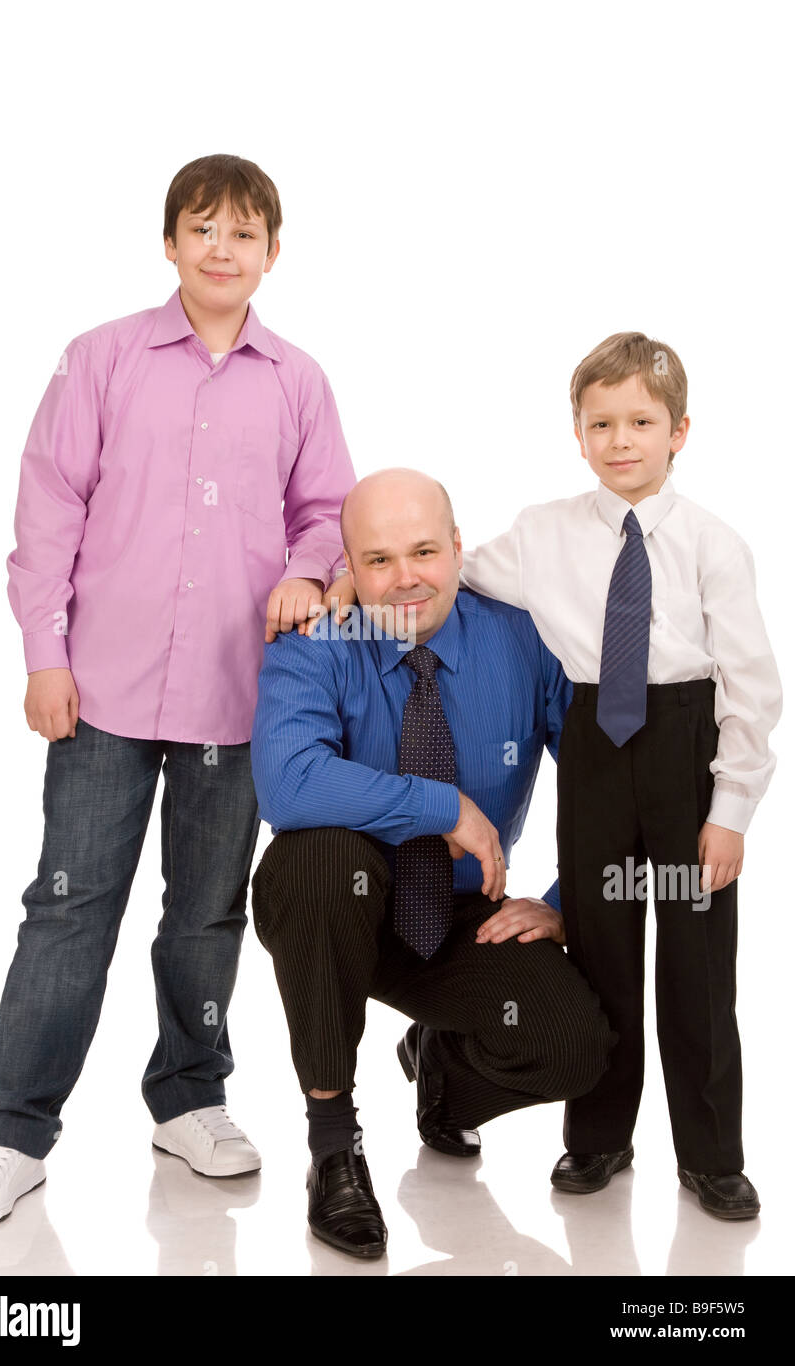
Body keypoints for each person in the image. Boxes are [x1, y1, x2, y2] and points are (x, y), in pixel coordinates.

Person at [0, 153, 354, 1226]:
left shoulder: (297, 379)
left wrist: (309, 571)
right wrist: (45, 654)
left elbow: (326, 510)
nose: (223, 248)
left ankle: (190, 1095)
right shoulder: (100, 359)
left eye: (244, 233)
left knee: (207, 912)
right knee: (69, 905)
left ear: (273, 254)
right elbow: (48, 511)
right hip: (102, 692)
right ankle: (9, 1129)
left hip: (237, 693)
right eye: (202, 228)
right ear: (169, 242)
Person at [455, 332, 782, 1219]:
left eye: (641, 420)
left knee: (697, 961)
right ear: (578, 432)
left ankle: (712, 1155)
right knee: (600, 948)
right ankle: (597, 1138)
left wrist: (733, 811)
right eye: (601, 422)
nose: (621, 439)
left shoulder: (715, 544)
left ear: (681, 430)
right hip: (594, 743)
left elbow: (753, 685)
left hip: (685, 745)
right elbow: (456, 573)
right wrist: (346, 576)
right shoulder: (543, 532)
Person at [250, 468, 615, 1259]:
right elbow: (286, 782)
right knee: (316, 857)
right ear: (347, 568)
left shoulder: (523, 638)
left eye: (423, 551)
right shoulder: (318, 642)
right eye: (378, 560)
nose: (405, 577)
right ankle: (332, 1145)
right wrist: (439, 807)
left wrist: (561, 900)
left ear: (458, 548)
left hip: (455, 917)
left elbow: (603, 785)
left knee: (572, 1045)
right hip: (331, 905)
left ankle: (441, 1064)